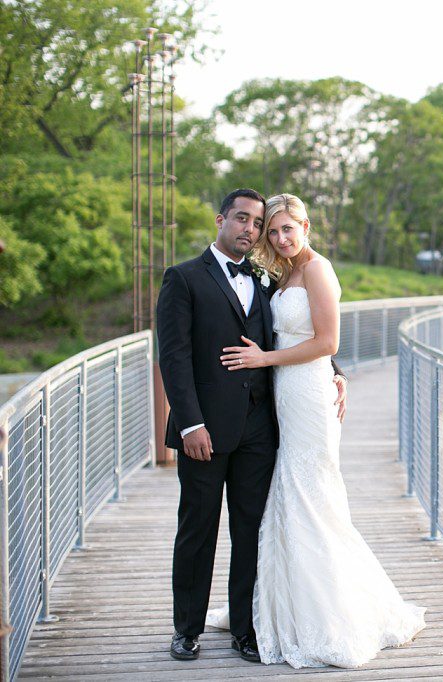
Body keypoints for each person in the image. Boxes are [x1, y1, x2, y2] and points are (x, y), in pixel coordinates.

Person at [218, 193, 425, 668]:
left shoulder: (317, 269)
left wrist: (269, 359)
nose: (279, 238)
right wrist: (328, 368)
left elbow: (328, 340)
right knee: (290, 493)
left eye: (288, 229)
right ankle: (283, 602)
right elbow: (304, 335)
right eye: (273, 231)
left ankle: (331, 613)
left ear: (307, 226)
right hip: (284, 393)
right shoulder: (282, 272)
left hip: (308, 395)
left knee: (313, 493)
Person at [156, 188, 347, 663]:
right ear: (221, 220)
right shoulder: (183, 279)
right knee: (197, 530)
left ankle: (246, 628)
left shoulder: (266, 280)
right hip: (204, 432)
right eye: (242, 219)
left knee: (251, 532)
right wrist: (189, 425)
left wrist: (336, 376)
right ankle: (186, 630)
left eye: (257, 223)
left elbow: (295, 336)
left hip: (261, 430)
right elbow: (173, 359)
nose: (251, 229)